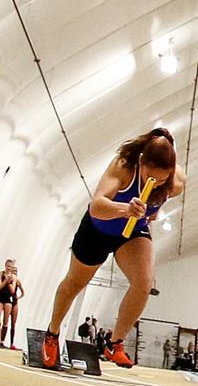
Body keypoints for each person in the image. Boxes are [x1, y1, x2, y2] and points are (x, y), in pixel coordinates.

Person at [39, 129, 183, 369]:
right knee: (74, 283)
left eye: (161, 179)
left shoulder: (175, 180)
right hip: (99, 228)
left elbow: (171, 192)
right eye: (150, 177)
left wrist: (156, 208)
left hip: (133, 232)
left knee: (144, 283)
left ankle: (115, 341)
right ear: (141, 162)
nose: (155, 182)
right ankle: (52, 334)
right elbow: (97, 205)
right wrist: (125, 209)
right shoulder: (123, 165)